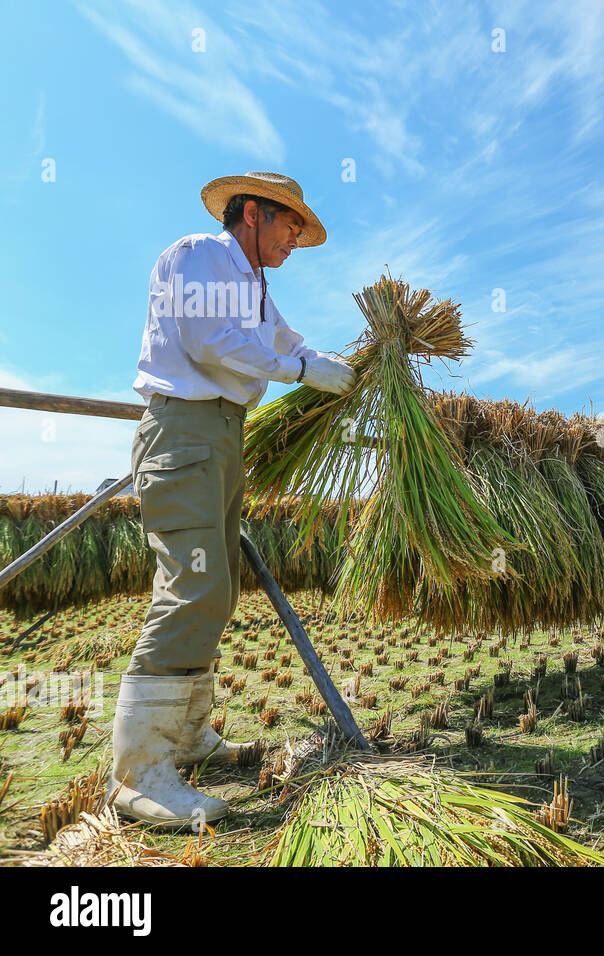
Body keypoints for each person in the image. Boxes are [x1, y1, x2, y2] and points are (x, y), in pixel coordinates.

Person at [111, 171, 355, 826]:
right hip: (184, 432)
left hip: (220, 436)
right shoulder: (201, 256)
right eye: (290, 225)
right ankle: (139, 774)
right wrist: (303, 373)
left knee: (216, 588)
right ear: (252, 212)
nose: (296, 239)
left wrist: (323, 359)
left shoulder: (254, 287)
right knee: (191, 589)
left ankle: (188, 737)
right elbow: (209, 343)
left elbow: (282, 339)